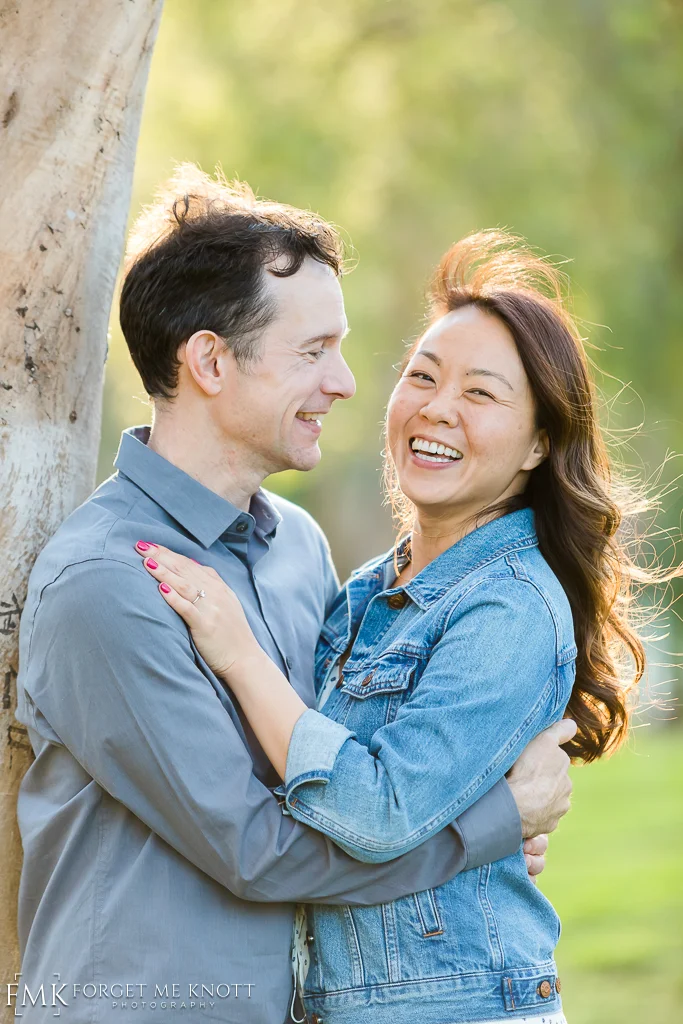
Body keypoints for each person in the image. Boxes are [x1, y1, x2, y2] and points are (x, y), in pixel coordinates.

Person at [15, 170, 573, 1024]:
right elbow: (261, 851)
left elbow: (357, 788)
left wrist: (462, 825)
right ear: (208, 361)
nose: (347, 383)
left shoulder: (299, 552)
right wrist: (486, 828)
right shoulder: (112, 582)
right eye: (312, 352)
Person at [135, 229, 655, 1024]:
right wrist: (493, 831)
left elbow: (374, 816)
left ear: (539, 443)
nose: (435, 408)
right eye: (421, 375)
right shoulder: (368, 592)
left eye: (480, 394)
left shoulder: (510, 605)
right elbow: (305, 791)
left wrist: (240, 656)